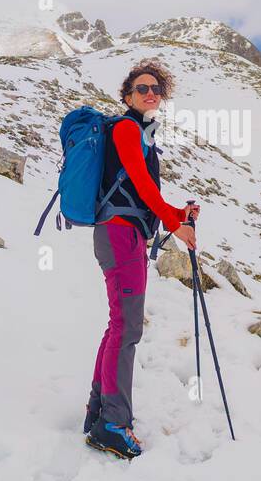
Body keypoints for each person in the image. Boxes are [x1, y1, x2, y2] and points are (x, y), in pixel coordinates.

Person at [84, 60, 197, 460]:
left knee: (119, 324)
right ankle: (113, 424)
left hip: (123, 233)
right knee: (127, 327)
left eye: (156, 90)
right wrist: (172, 221)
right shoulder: (128, 128)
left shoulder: (143, 134)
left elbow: (140, 189)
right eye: (142, 88)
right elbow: (140, 180)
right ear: (128, 95)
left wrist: (177, 216)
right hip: (119, 234)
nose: (151, 94)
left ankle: (98, 412)